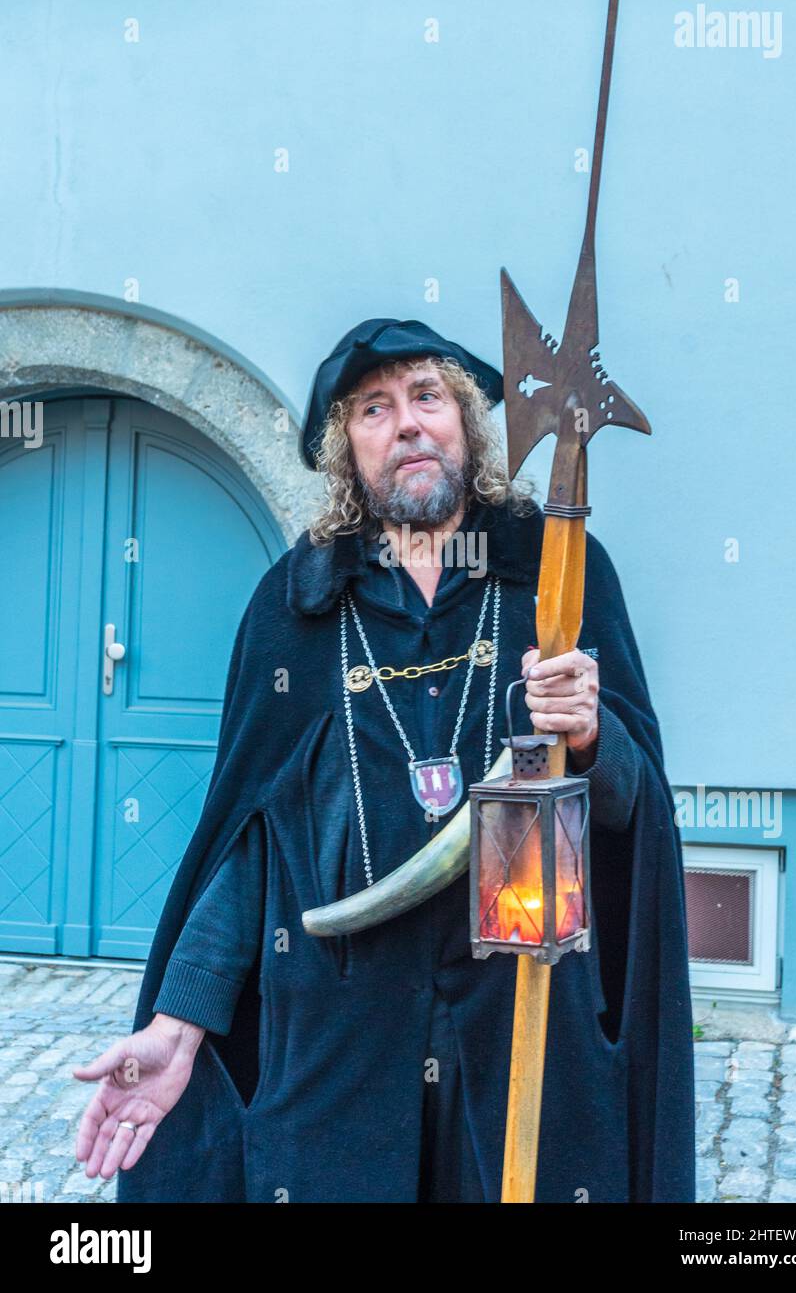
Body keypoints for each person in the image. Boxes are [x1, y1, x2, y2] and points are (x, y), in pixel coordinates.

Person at [72, 317, 695, 1203]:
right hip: (340, 1035)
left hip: (526, 1024)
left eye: (426, 397)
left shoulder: (559, 575)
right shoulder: (297, 608)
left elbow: (641, 811)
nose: (405, 424)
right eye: (373, 408)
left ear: (467, 424)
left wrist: (596, 735)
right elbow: (248, 845)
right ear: (346, 448)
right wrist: (181, 1022)